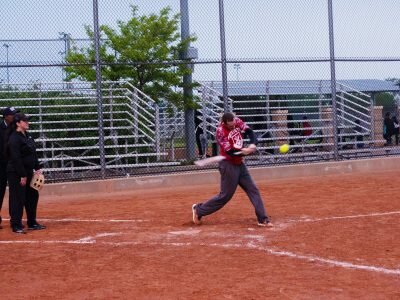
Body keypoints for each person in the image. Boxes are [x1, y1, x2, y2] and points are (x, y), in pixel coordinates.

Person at [191, 112, 273, 227]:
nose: (233, 126)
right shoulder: (220, 131)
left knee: (253, 189)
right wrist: (244, 152)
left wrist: (253, 144)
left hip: (239, 164)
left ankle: (262, 218)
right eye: (230, 126)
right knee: (225, 196)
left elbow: (249, 132)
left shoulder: (236, 121)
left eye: (233, 124)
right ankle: (199, 210)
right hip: (228, 165)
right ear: (224, 123)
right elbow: (230, 152)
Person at [6, 113, 45, 234]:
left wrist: (37, 168)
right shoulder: (14, 138)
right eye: (25, 121)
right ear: (18, 123)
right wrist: (22, 175)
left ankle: (32, 222)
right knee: (18, 198)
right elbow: (16, 159)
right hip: (16, 173)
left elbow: (33, 153)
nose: (27, 122)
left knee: (32, 196)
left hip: (28, 171)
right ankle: (16, 224)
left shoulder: (27, 136)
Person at [0, 106, 18, 229]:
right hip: (0, 164)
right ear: (6, 116)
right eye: (12, 114)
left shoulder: (15, 128)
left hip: (12, 164)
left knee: (15, 193)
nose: (14, 116)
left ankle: (15, 220)